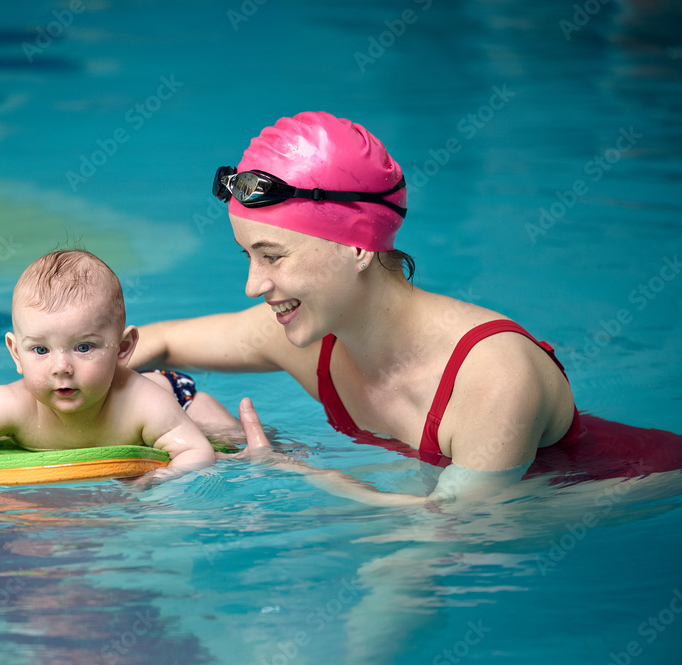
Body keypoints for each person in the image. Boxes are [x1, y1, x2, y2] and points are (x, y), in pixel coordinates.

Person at [130, 111, 682, 505]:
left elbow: (452, 537)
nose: (253, 285)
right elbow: (156, 342)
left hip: (648, 489)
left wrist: (289, 469)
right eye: (248, 256)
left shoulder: (493, 377)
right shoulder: (304, 331)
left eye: (272, 256)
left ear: (357, 246)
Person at [0, 249, 237, 487]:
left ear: (124, 348)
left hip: (179, 398)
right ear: (16, 353)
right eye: (40, 350)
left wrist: (160, 479)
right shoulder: (13, 405)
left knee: (233, 444)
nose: (61, 367)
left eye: (84, 347)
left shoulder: (144, 404)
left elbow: (197, 451)